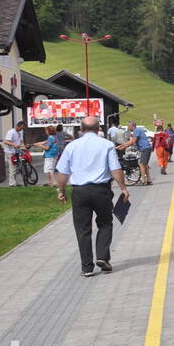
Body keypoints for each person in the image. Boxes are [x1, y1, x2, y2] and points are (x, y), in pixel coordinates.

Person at [54, 115, 131, 277]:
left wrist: (61, 191)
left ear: (81, 129)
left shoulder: (71, 146)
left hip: (79, 192)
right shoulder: (107, 145)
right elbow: (115, 169)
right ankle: (103, 257)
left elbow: (62, 172)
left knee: (82, 229)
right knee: (105, 223)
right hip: (101, 191)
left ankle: (87, 267)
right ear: (98, 129)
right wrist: (123, 188)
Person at [123, 120, 153, 185]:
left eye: (129, 126)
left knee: (141, 164)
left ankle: (143, 181)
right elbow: (132, 140)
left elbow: (133, 141)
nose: (128, 128)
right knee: (145, 165)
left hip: (145, 148)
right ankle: (148, 180)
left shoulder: (136, 130)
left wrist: (123, 146)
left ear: (132, 126)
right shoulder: (138, 130)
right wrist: (123, 145)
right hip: (146, 148)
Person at [2, 120, 28, 186]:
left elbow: (21, 141)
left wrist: (23, 147)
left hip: (16, 152)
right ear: (17, 126)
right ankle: (12, 184)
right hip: (10, 152)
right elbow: (6, 142)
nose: (21, 129)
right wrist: (14, 145)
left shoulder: (20, 132)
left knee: (16, 168)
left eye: (22, 128)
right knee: (13, 168)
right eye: (21, 128)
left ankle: (14, 182)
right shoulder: (11, 132)